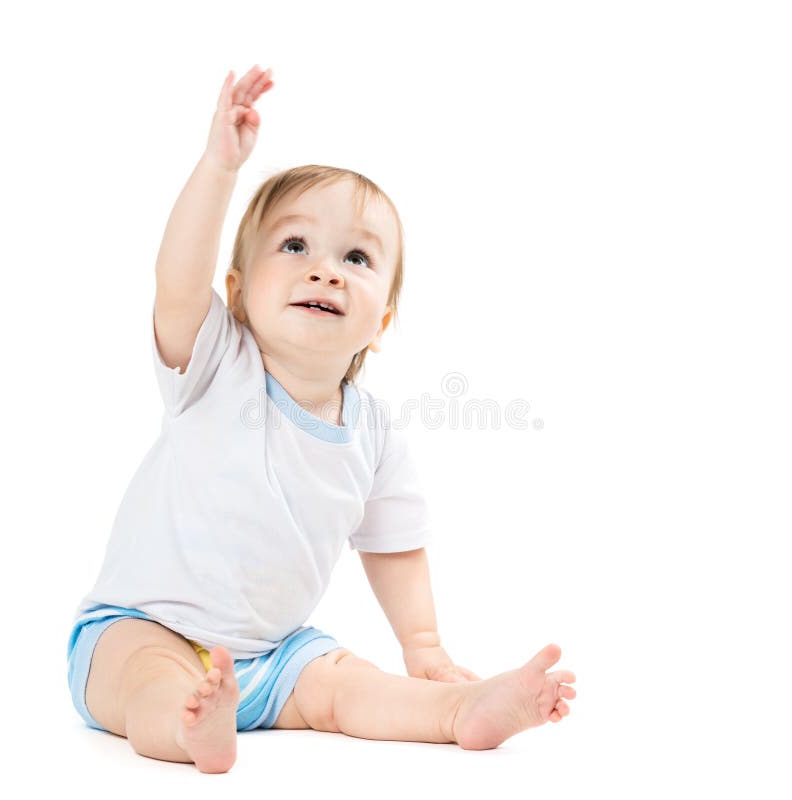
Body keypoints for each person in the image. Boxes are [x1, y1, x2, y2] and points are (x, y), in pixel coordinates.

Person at [65, 64, 577, 774]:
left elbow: (395, 545)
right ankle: (188, 730)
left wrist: (424, 647)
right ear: (238, 293)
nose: (326, 270)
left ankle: (461, 710)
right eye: (295, 246)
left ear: (383, 320)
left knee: (344, 684)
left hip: (272, 656)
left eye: (357, 257)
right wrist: (219, 167)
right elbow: (177, 279)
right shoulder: (214, 363)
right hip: (139, 628)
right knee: (150, 681)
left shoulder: (372, 433)